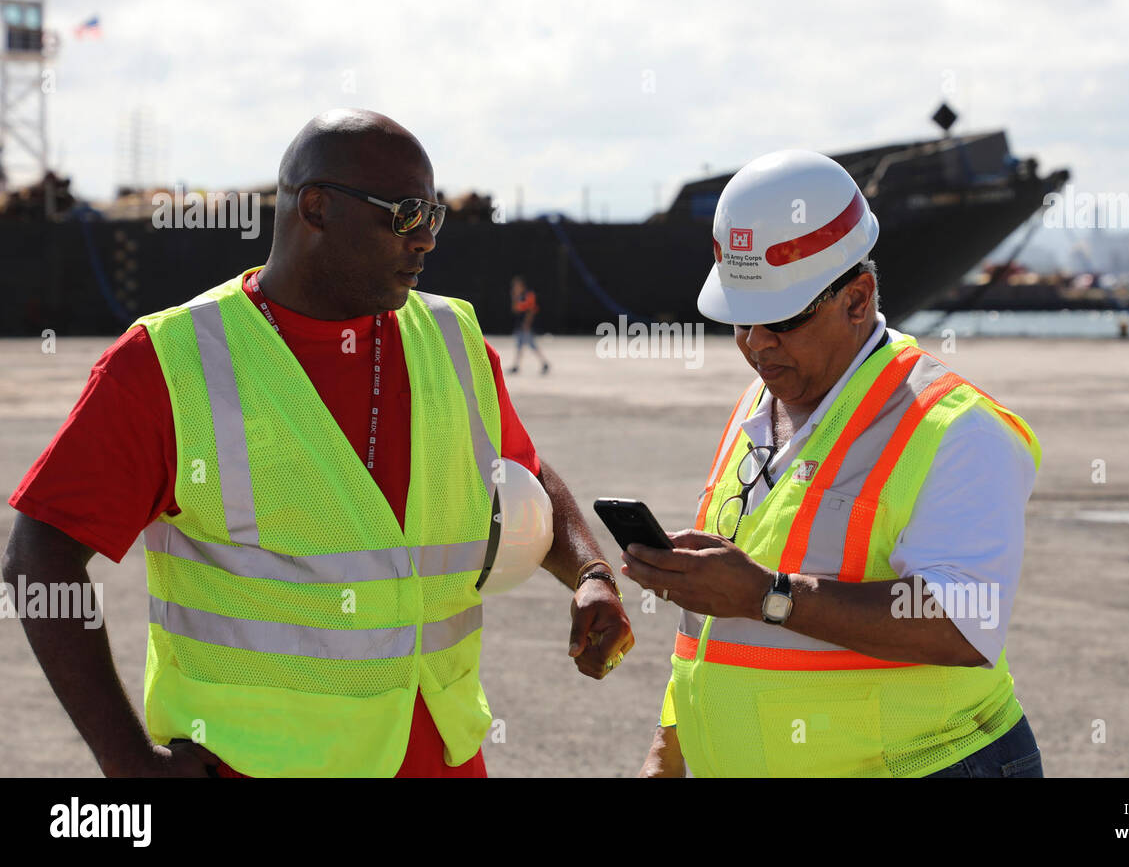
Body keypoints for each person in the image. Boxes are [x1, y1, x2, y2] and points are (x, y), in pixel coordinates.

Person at [3, 109, 633, 778]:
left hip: (444, 761)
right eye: (405, 214)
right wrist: (126, 759)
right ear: (317, 207)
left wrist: (591, 573)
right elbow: (39, 554)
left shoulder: (451, 340)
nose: (425, 239)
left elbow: (525, 473)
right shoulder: (171, 362)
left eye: (434, 216)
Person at [622, 149, 1043, 778]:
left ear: (858, 297)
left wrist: (769, 596)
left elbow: (965, 623)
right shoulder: (759, 406)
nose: (757, 344)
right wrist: (670, 748)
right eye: (742, 320)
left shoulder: (956, 429)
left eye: (783, 320)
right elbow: (714, 628)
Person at [507, 275, 550, 375]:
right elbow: (515, 310)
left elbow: (531, 311)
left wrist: (527, 324)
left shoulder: (529, 295)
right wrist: (514, 298)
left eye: (516, 285)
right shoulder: (519, 297)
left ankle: (544, 363)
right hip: (520, 325)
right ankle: (517, 365)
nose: (515, 288)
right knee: (520, 346)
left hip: (526, 326)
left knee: (531, 345)